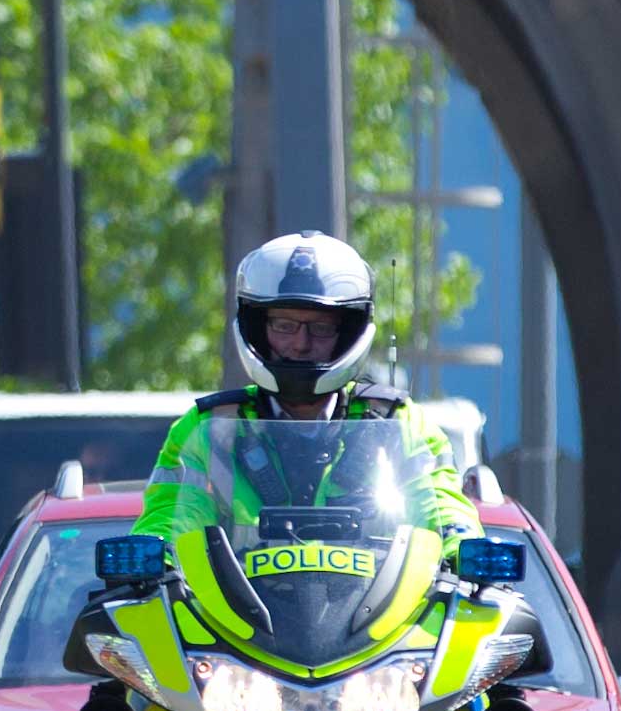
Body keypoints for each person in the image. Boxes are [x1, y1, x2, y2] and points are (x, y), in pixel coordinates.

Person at [131, 232, 477, 548]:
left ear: (348, 332)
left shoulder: (397, 422)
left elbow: (441, 506)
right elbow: (172, 514)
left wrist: (460, 545)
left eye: (322, 327)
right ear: (257, 328)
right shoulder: (210, 428)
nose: (300, 343)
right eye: (283, 325)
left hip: (382, 614)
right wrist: (154, 552)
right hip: (231, 613)